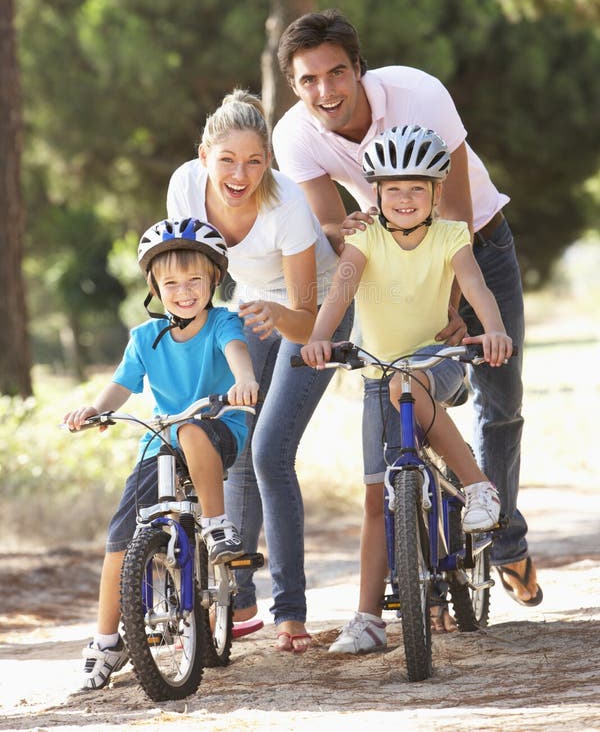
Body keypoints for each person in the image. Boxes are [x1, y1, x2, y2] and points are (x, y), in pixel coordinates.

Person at [273, 8, 542, 623]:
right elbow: (331, 225)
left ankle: (504, 542)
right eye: (309, 80)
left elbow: (456, 208)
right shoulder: (294, 136)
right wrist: (365, 262)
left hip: (476, 242)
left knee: (499, 399)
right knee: (396, 395)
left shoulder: (419, 92)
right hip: (388, 260)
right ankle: (422, 569)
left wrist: (452, 307)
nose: (326, 90)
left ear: (358, 69)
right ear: (295, 85)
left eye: (337, 73)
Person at [301, 123, 511, 654]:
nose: (404, 198)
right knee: (376, 499)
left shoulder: (451, 236)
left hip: (438, 363)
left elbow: (476, 286)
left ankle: (478, 486)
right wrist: (320, 340)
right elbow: (338, 293)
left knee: (407, 383)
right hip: (376, 373)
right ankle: (368, 619)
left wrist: (495, 330)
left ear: (436, 193)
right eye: (393, 188)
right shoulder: (364, 239)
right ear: (375, 193)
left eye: (417, 188)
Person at [166, 90, 353, 654]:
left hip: (316, 313)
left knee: (271, 450)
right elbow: (186, 277)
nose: (240, 174)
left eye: (254, 161)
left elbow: (302, 318)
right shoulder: (183, 187)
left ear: (268, 160)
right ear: (205, 156)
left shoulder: (285, 205)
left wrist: (278, 315)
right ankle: (239, 600)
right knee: (237, 442)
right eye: (227, 160)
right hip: (249, 307)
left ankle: (290, 612)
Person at [63, 217, 259, 690]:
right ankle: (109, 640)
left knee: (190, 430)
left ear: (215, 279)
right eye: (171, 282)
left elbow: (237, 354)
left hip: (217, 428)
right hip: (162, 442)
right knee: (120, 536)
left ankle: (216, 527)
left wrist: (245, 380)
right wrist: (96, 409)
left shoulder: (221, 323)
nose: (184, 291)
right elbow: (119, 388)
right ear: (154, 286)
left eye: (195, 280)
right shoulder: (143, 338)